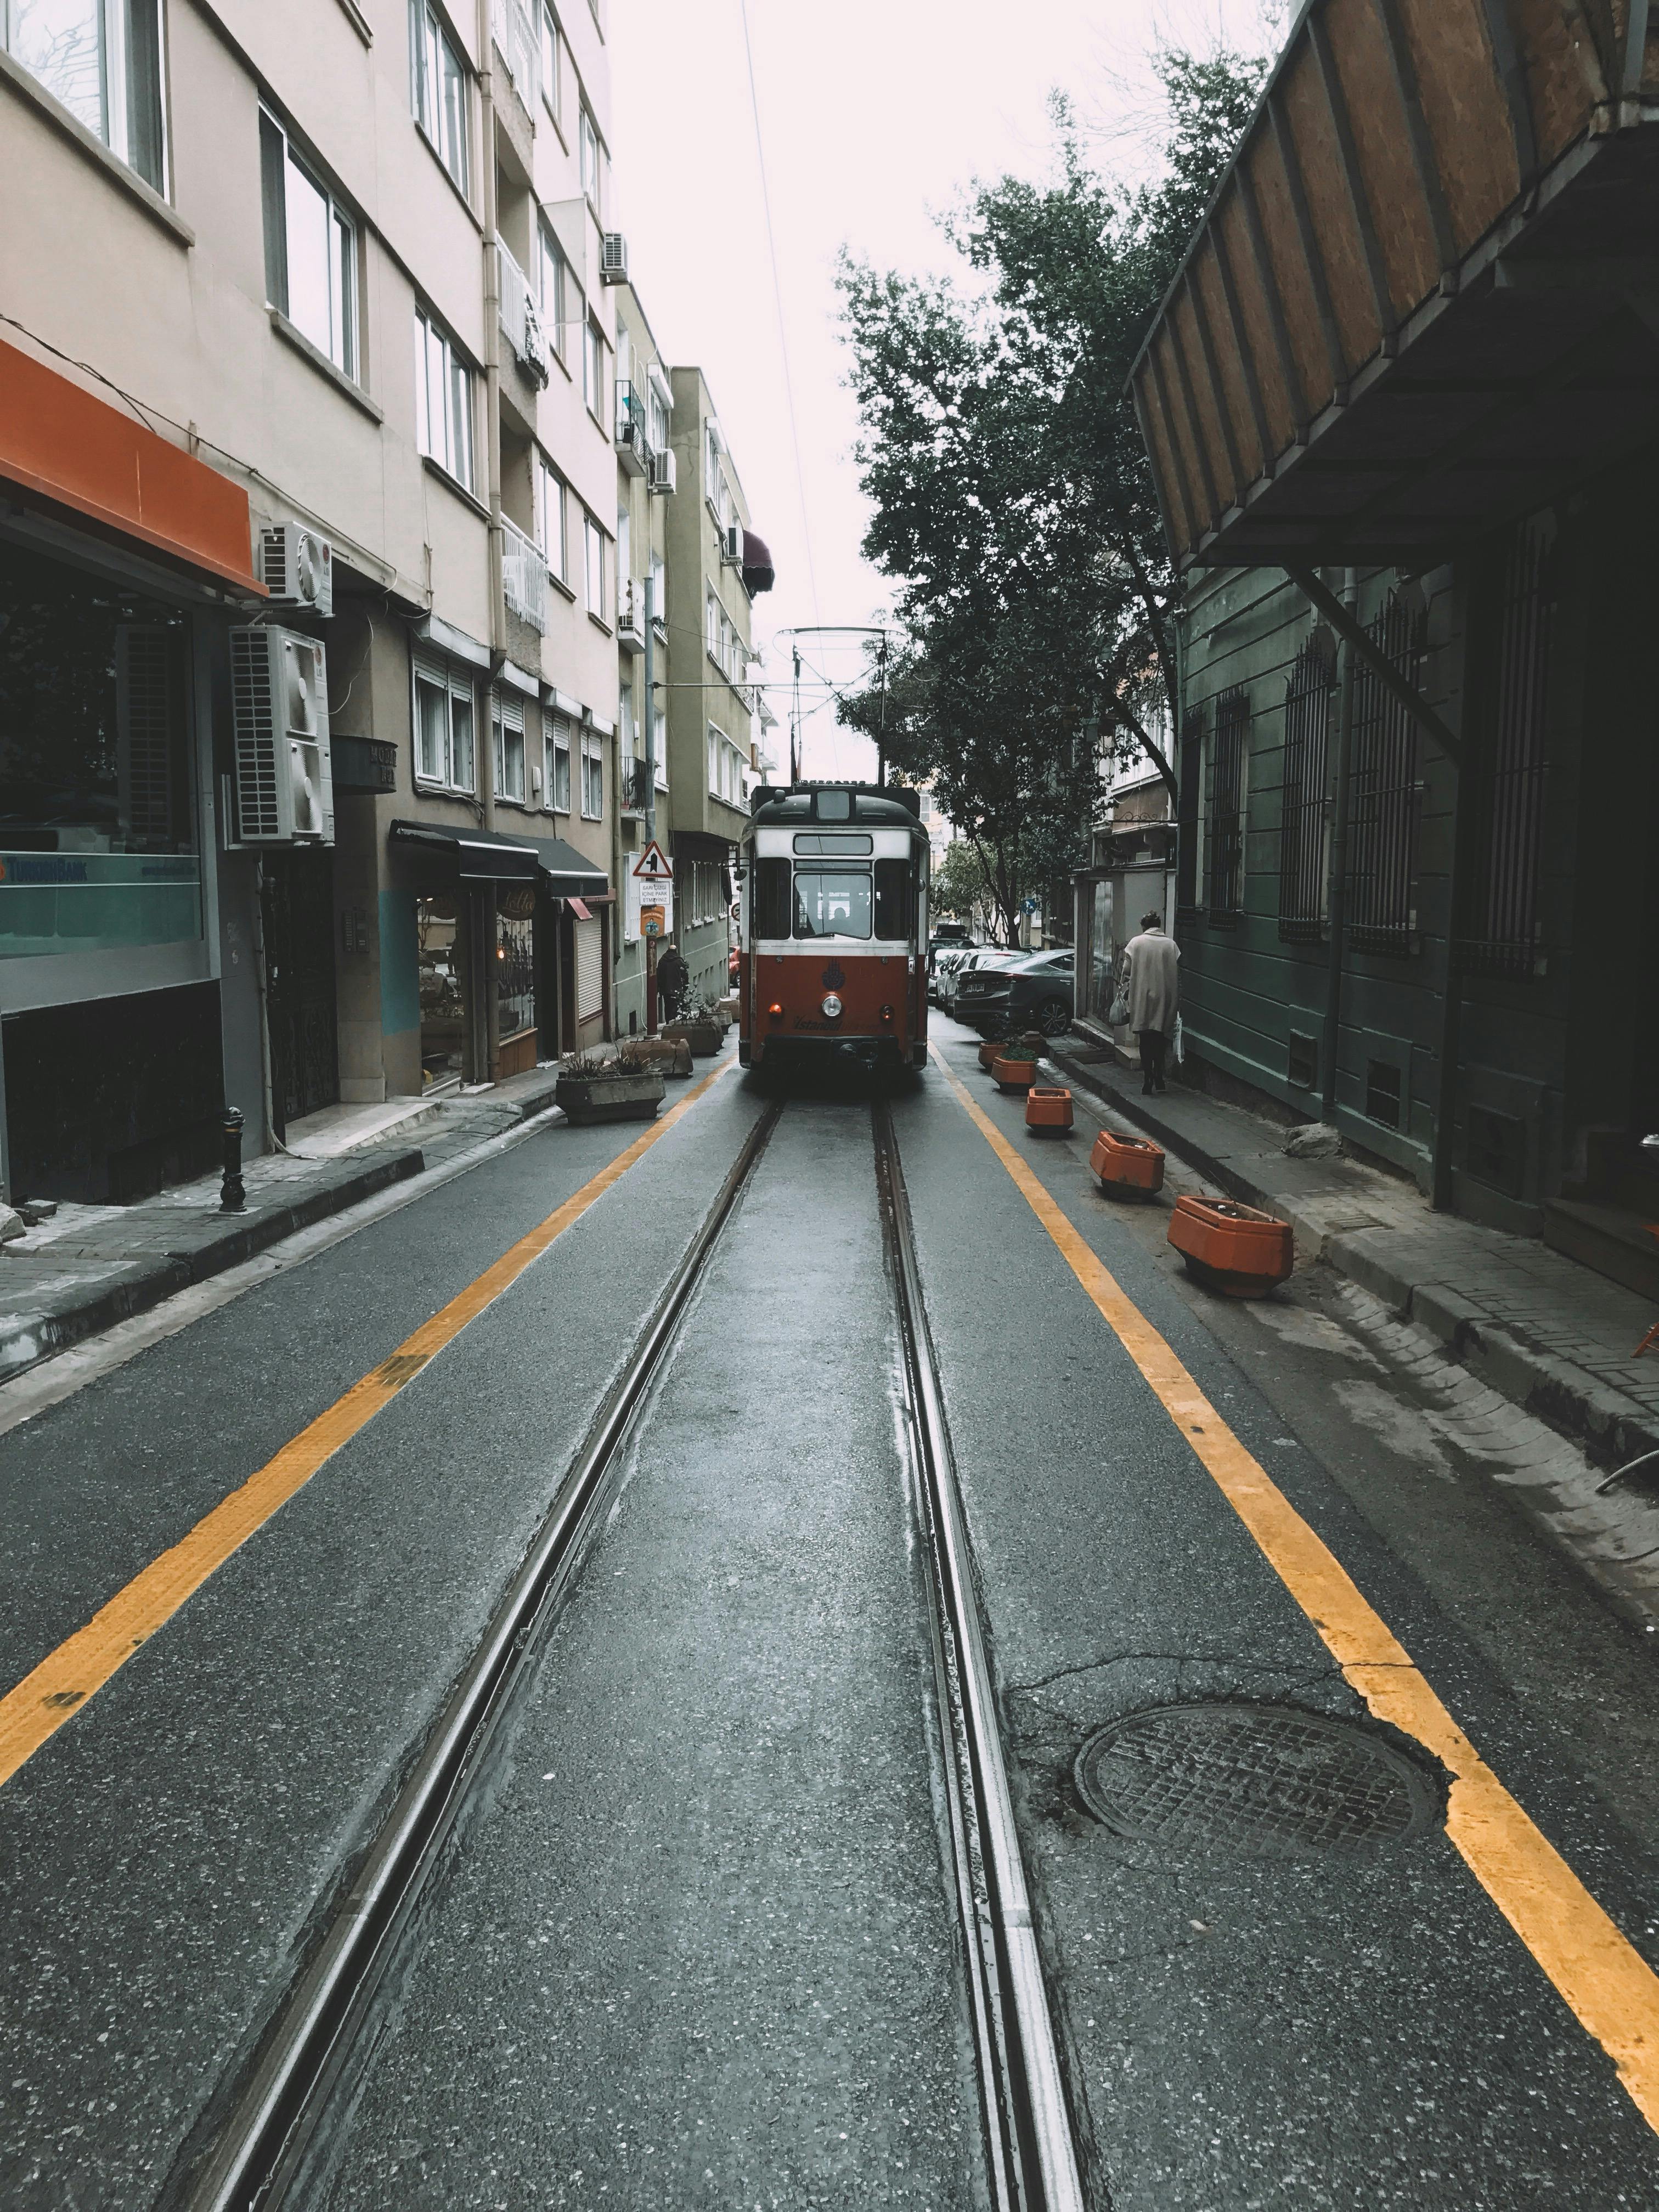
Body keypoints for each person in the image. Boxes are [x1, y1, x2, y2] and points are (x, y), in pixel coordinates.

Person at [1124, 909, 1180, 1095]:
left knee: (1145, 1040)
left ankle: (1147, 1078)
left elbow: (1126, 970)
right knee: (1160, 1038)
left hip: (1142, 998)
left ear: (1144, 926)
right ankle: (1159, 1077)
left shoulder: (1136, 943)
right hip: (1164, 997)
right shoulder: (1171, 945)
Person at [655, 940, 689, 1024]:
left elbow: (658, 975)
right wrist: (685, 986)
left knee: (667, 1005)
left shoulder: (662, 961)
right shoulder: (679, 961)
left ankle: (668, 1022)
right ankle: (672, 1021)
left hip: (665, 988)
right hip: (676, 988)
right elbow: (685, 975)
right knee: (674, 1005)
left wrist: (658, 988)